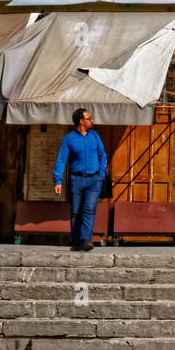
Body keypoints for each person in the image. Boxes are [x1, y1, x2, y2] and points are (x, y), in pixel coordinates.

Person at [53, 107, 107, 252]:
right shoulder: (69, 139)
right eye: (89, 118)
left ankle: (85, 239)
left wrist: (101, 175)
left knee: (89, 209)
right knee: (76, 212)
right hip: (76, 180)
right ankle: (76, 242)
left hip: (94, 180)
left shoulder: (94, 136)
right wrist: (58, 180)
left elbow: (103, 155)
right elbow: (61, 160)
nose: (92, 120)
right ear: (81, 121)